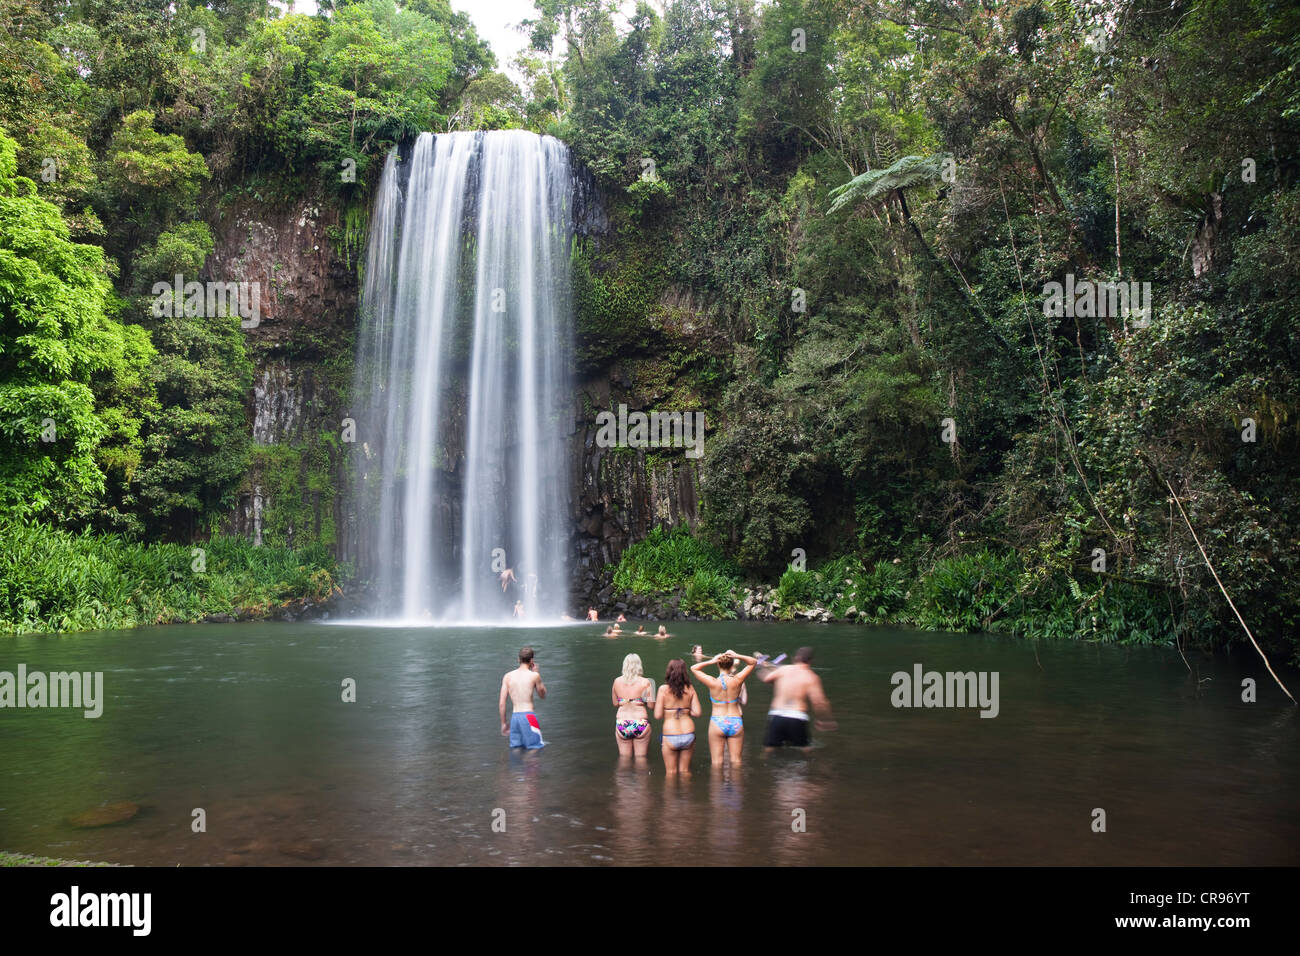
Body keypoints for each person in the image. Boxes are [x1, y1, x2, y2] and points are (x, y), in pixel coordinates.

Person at [760, 646, 836, 749]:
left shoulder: (783, 669)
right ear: (810, 661)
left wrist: (764, 668)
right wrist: (825, 720)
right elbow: (818, 702)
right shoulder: (811, 677)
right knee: (804, 750)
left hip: (776, 715)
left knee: (769, 749)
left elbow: (766, 679)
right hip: (797, 717)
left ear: (795, 658)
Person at [691, 650, 757, 766]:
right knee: (736, 762)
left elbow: (694, 668)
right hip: (736, 720)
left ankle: (717, 784)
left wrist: (711, 661)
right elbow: (753, 662)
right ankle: (737, 784)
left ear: (718, 664)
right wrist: (737, 655)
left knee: (717, 763)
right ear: (732, 665)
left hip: (718, 721)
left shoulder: (712, 682)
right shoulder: (737, 680)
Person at [654, 659, 700, 774]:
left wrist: (670, 711)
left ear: (669, 671)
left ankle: (671, 792)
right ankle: (687, 792)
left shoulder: (663, 690)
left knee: (671, 773)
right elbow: (697, 712)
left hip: (670, 735)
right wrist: (685, 711)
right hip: (688, 734)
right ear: (685, 672)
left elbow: (657, 715)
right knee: (685, 771)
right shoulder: (690, 689)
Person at [499, 647, 547, 750]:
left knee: (516, 749)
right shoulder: (534, 676)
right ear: (532, 661)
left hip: (515, 718)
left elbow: (502, 703)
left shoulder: (507, 676)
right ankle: (528, 763)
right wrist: (537, 673)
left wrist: (503, 723)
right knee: (536, 748)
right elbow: (542, 695)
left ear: (518, 659)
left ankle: (517, 766)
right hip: (529, 717)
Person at [612, 653, 655, 758]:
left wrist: (625, 700)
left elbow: (615, 703)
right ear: (639, 665)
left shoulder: (616, 681)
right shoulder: (647, 682)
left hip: (622, 723)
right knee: (641, 759)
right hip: (640, 723)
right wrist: (640, 700)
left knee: (624, 759)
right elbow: (651, 706)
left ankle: (621, 775)